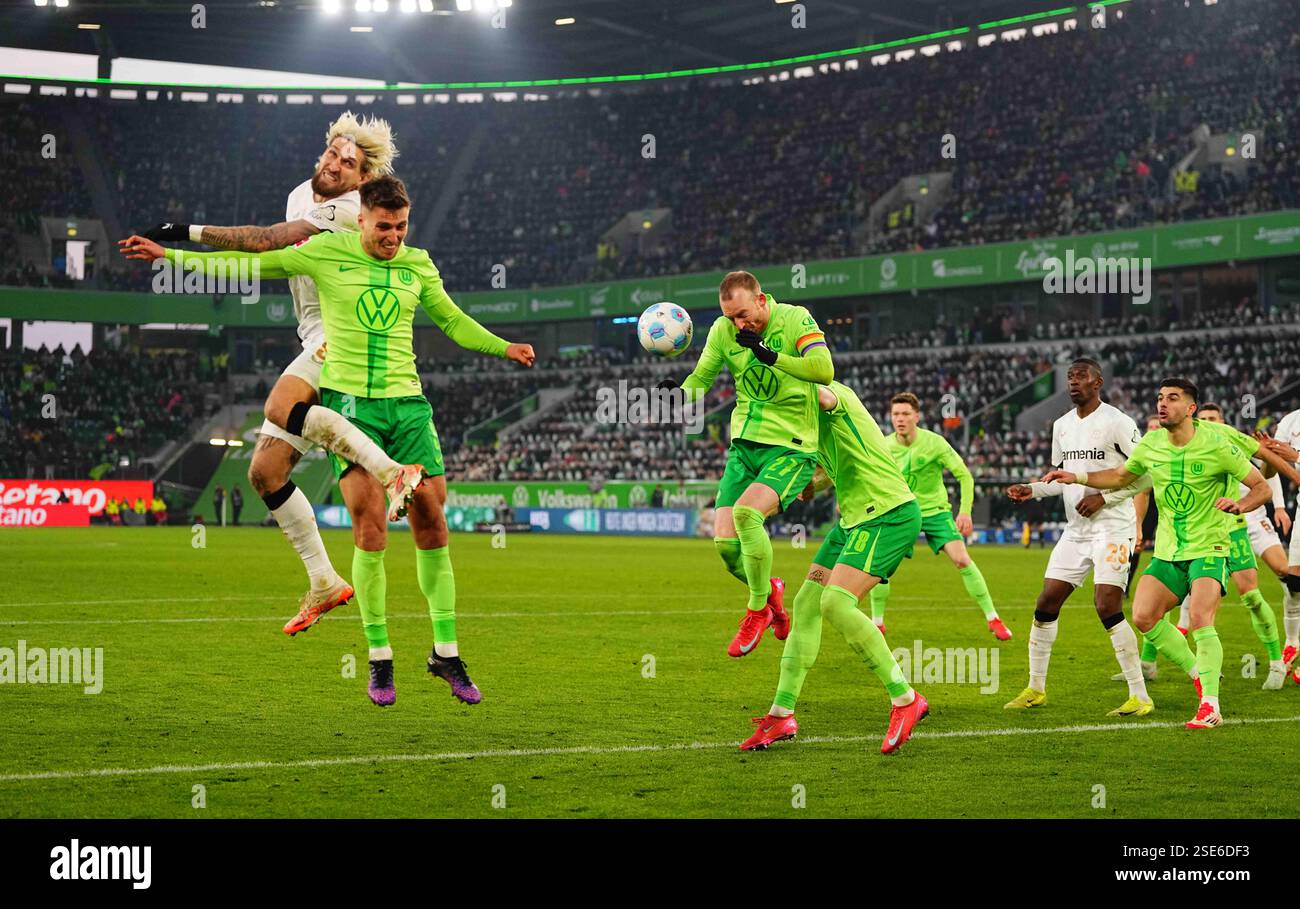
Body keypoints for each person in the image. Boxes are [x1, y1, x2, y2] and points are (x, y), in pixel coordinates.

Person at [122, 175, 536, 707]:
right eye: (384, 226)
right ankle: (380, 658)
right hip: (352, 406)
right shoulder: (323, 251)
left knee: (432, 518)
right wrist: (170, 256)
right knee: (369, 526)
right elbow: (248, 266)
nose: (393, 236)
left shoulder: (419, 263)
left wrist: (505, 348)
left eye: (402, 226)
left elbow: (452, 323)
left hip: (408, 405)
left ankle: (446, 654)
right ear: (360, 217)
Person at [125, 111, 418, 636]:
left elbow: (264, 241)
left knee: (280, 406)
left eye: (348, 163)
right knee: (265, 472)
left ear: (362, 179)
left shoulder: (349, 210)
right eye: (333, 153)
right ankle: (324, 581)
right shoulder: (299, 193)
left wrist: (180, 235)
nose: (335, 164)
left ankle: (393, 470)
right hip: (314, 337)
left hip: (345, 335)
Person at [1041, 377, 1273, 729]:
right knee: (1144, 616)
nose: (1162, 404)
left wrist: (1240, 505)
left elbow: (1261, 487)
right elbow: (1120, 477)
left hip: (1209, 546)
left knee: (1199, 619)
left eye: (1173, 399)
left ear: (1191, 408)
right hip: (1168, 550)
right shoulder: (1151, 443)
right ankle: (1199, 672)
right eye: (1160, 398)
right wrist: (1075, 476)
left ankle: (1210, 705)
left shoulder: (1217, 444)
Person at [741, 381, 927, 755]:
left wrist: (777, 371)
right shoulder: (808, 424)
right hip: (853, 521)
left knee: (836, 604)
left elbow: (823, 395)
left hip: (886, 515)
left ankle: (906, 699)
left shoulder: (823, 392)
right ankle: (781, 714)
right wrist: (812, 484)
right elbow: (837, 466)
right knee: (808, 602)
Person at [665, 271, 833, 657]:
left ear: (761, 299)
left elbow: (824, 370)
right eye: (730, 317)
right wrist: (677, 394)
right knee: (725, 546)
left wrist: (770, 355)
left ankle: (757, 609)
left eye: (743, 314)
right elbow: (701, 379)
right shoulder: (723, 331)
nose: (739, 324)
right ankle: (770, 591)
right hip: (744, 448)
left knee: (746, 515)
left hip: (791, 446)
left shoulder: (794, 318)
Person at [1003, 358, 1152, 715]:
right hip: (1077, 530)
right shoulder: (1062, 426)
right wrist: (1033, 489)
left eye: (1081, 376)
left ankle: (1140, 695)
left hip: (1113, 528)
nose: (1073, 382)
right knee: (1045, 603)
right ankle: (1035, 688)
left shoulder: (1118, 422)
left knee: (1106, 606)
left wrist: (1105, 497)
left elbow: (1148, 475)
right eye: (1069, 377)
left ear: (1098, 381)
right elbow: (1062, 479)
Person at [878, 392, 1010, 640]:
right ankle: (877, 623)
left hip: (935, 511)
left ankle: (993, 618)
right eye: (896, 414)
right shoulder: (883, 446)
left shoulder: (935, 443)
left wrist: (965, 511)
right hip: (901, 511)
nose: (900, 419)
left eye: (906, 413)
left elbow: (965, 475)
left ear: (917, 416)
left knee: (962, 559)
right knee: (880, 568)